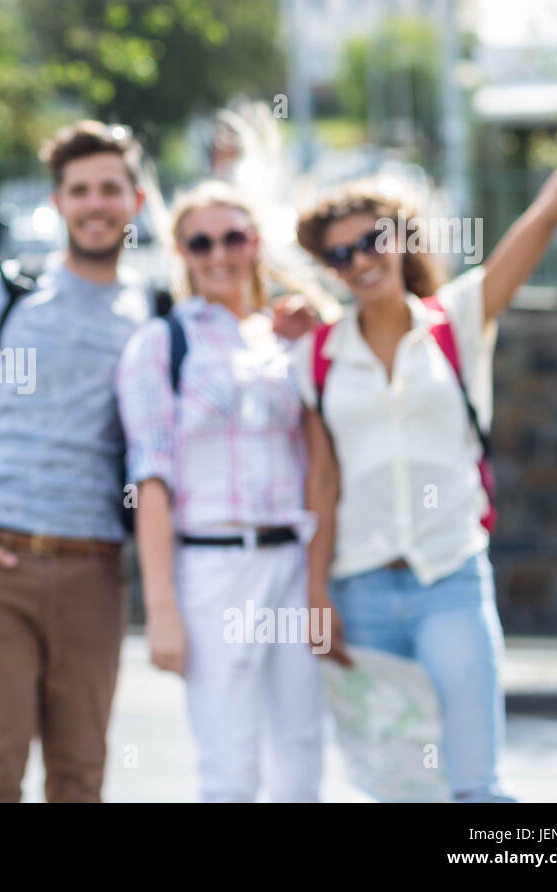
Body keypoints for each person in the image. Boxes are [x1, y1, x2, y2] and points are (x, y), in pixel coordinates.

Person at [292, 40, 557, 802]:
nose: (359, 259)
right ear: (330, 268)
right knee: (399, 790)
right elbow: (322, 479)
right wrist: (318, 597)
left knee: (476, 788)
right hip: (360, 590)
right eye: (339, 253)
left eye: (372, 238)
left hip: (449, 578)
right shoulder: (314, 355)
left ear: (402, 237)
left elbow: (544, 217)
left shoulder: (459, 319)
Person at [0, 120, 154, 802]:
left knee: (80, 779)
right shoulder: (9, 287)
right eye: (79, 189)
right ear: (58, 203)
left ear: (135, 202)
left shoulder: (155, 310)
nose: (95, 202)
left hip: (94, 569)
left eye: (111, 188)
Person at [116, 181, 325, 802]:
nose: (218, 254)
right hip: (212, 569)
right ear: (181, 251)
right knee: (231, 769)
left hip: (293, 563)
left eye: (232, 237)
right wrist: (162, 610)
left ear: (255, 243)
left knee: (302, 760)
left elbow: (323, 459)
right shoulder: (160, 345)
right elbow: (151, 480)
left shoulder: (289, 338)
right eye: (200, 241)